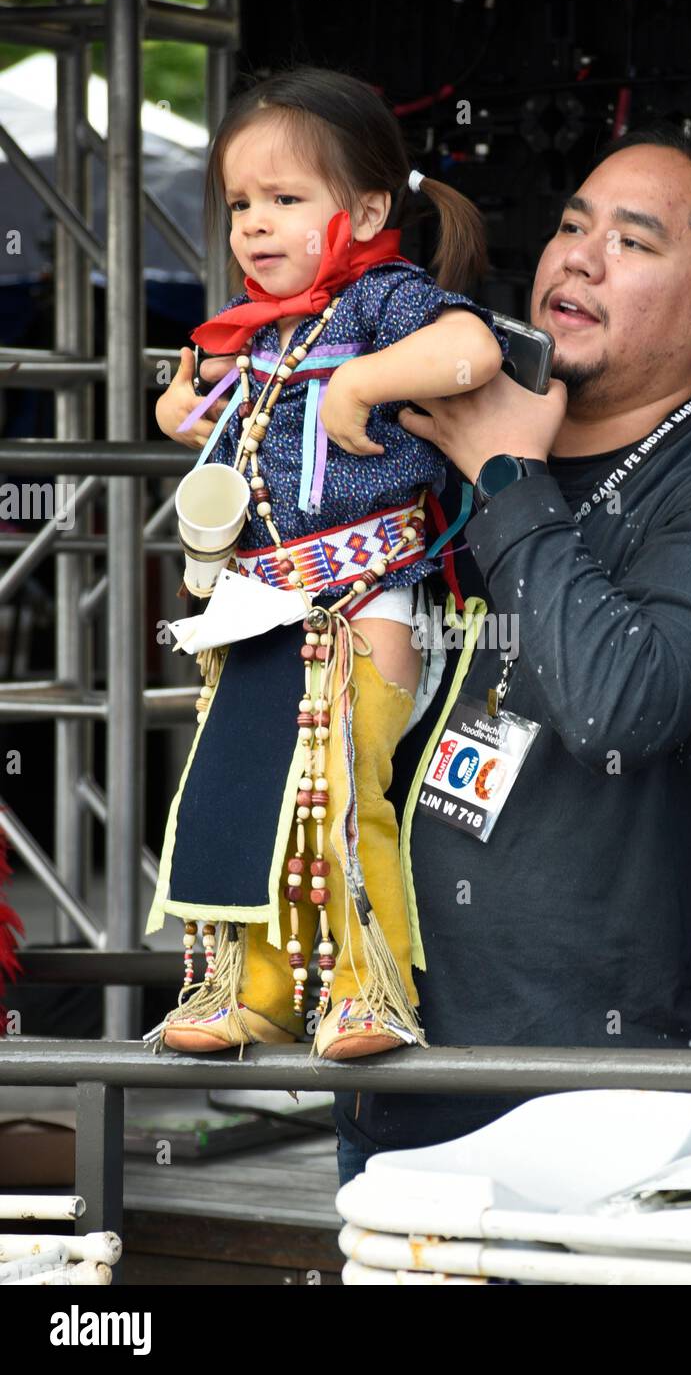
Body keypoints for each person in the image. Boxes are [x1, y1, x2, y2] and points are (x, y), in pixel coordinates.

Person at [328, 122, 691, 1187]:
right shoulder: (444, 447)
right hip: (398, 1085)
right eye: (571, 224)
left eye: (635, 242)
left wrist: (511, 481)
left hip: (615, 1115)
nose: (580, 256)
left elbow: (619, 702)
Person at [142, 65, 509, 1062]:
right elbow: (220, 419)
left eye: (286, 200)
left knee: (346, 791)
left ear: (369, 207)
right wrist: (181, 413)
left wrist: (362, 384)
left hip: (361, 596)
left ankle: (368, 987)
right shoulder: (256, 327)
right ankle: (252, 988)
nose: (256, 225)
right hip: (260, 602)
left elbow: (472, 349)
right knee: (248, 795)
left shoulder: (386, 300)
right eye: (241, 205)